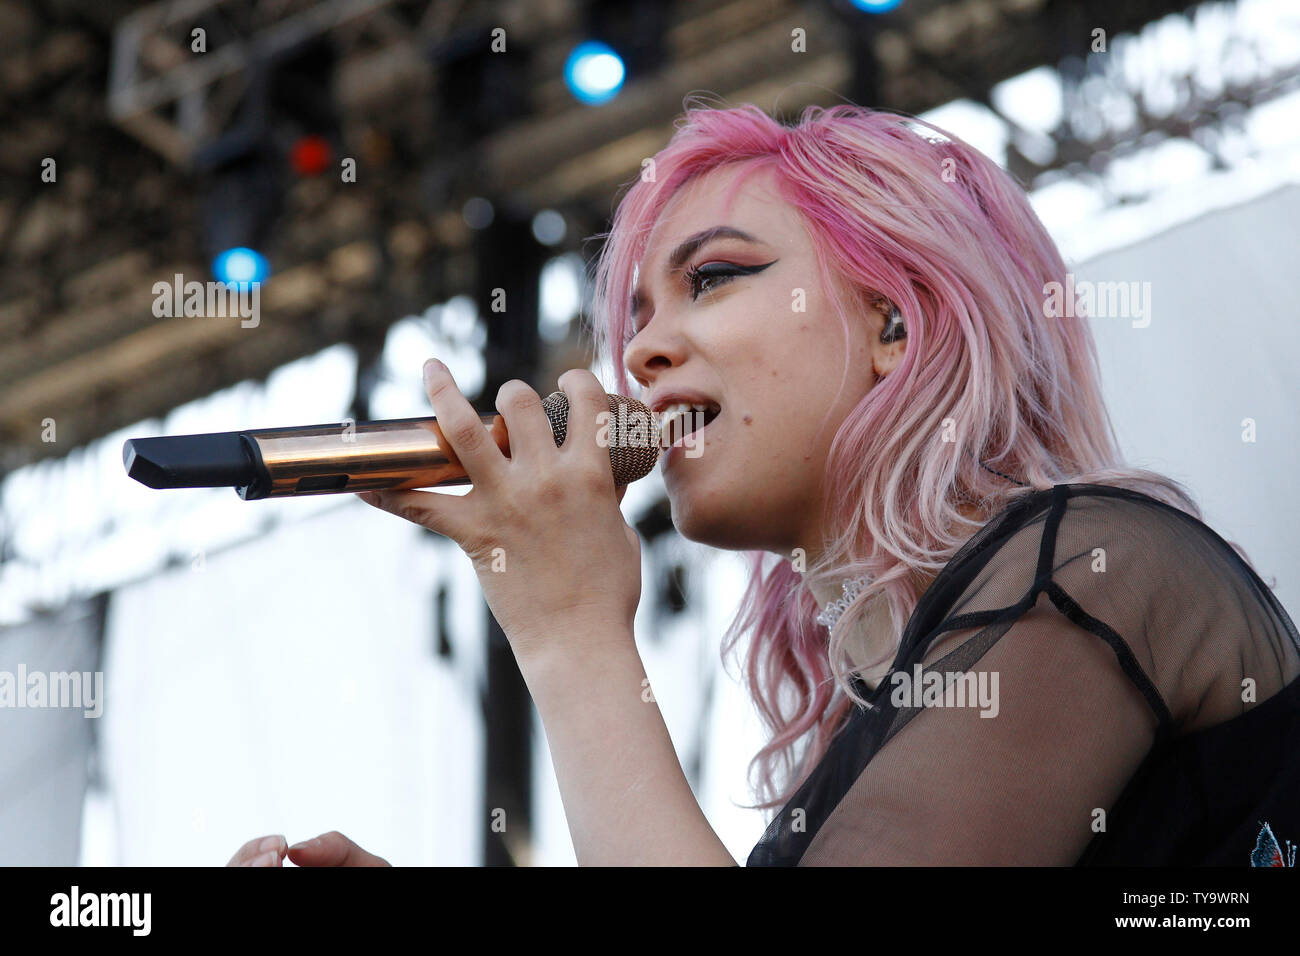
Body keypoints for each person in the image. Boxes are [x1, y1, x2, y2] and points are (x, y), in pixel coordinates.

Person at [228, 102, 1300, 867]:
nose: (640, 353)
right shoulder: (861, 757)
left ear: (896, 321)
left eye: (713, 276)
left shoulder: (1102, 566)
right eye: (635, 317)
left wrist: (568, 629)